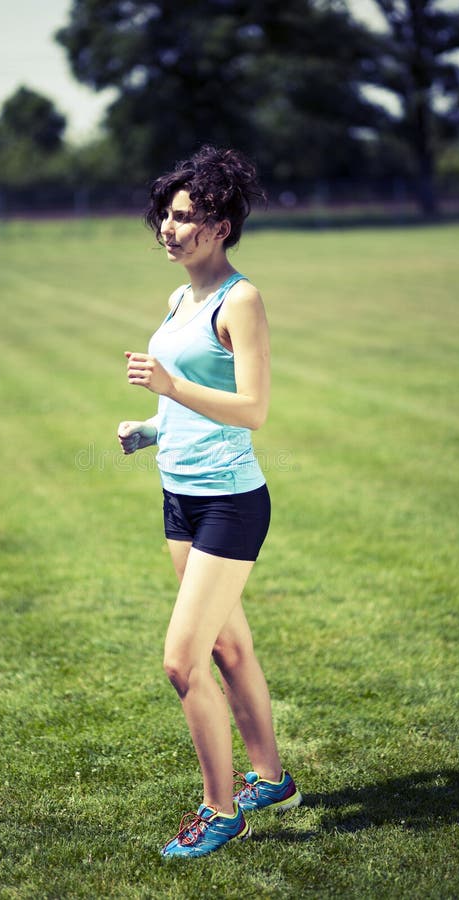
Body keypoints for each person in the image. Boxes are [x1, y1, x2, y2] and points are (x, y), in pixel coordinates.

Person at [118, 145, 301, 859]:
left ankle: (219, 812)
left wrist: (169, 388)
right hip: (180, 497)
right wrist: (152, 429)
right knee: (227, 646)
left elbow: (252, 409)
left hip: (229, 501)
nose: (170, 226)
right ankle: (271, 779)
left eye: (187, 216)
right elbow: (198, 403)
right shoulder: (179, 298)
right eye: (166, 213)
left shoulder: (240, 298)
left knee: (182, 661)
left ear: (222, 226)